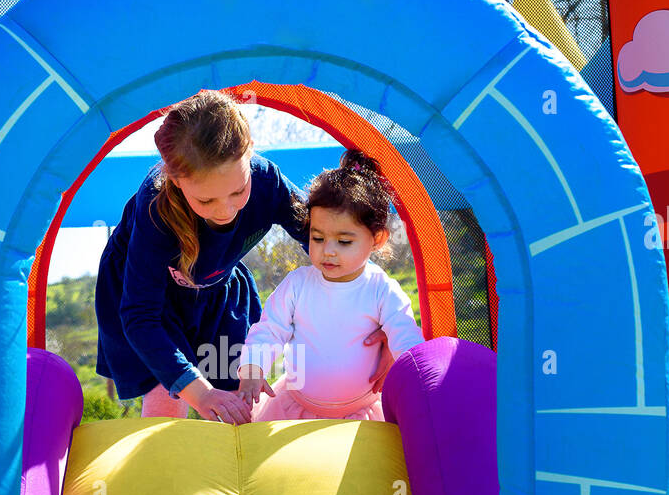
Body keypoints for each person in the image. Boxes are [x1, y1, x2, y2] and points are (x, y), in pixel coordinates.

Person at [94, 90, 392, 424]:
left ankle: (238, 472)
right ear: (177, 181)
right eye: (206, 201)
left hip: (215, 286)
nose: (226, 210)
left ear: (249, 154)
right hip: (149, 299)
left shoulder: (267, 182)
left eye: (238, 191)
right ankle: (165, 468)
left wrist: (378, 318)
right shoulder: (157, 206)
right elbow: (140, 317)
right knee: (168, 395)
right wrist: (201, 393)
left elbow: (335, 241)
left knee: (240, 396)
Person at [236, 149, 425, 422]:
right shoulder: (298, 285)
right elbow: (268, 330)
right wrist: (253, 369)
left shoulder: (381, 289)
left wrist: (415, 379)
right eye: (318, 238)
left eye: (344, 241)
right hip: (297, 408)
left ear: (378, 239)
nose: (329, 251)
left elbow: (406, 338)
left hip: (361, 412)